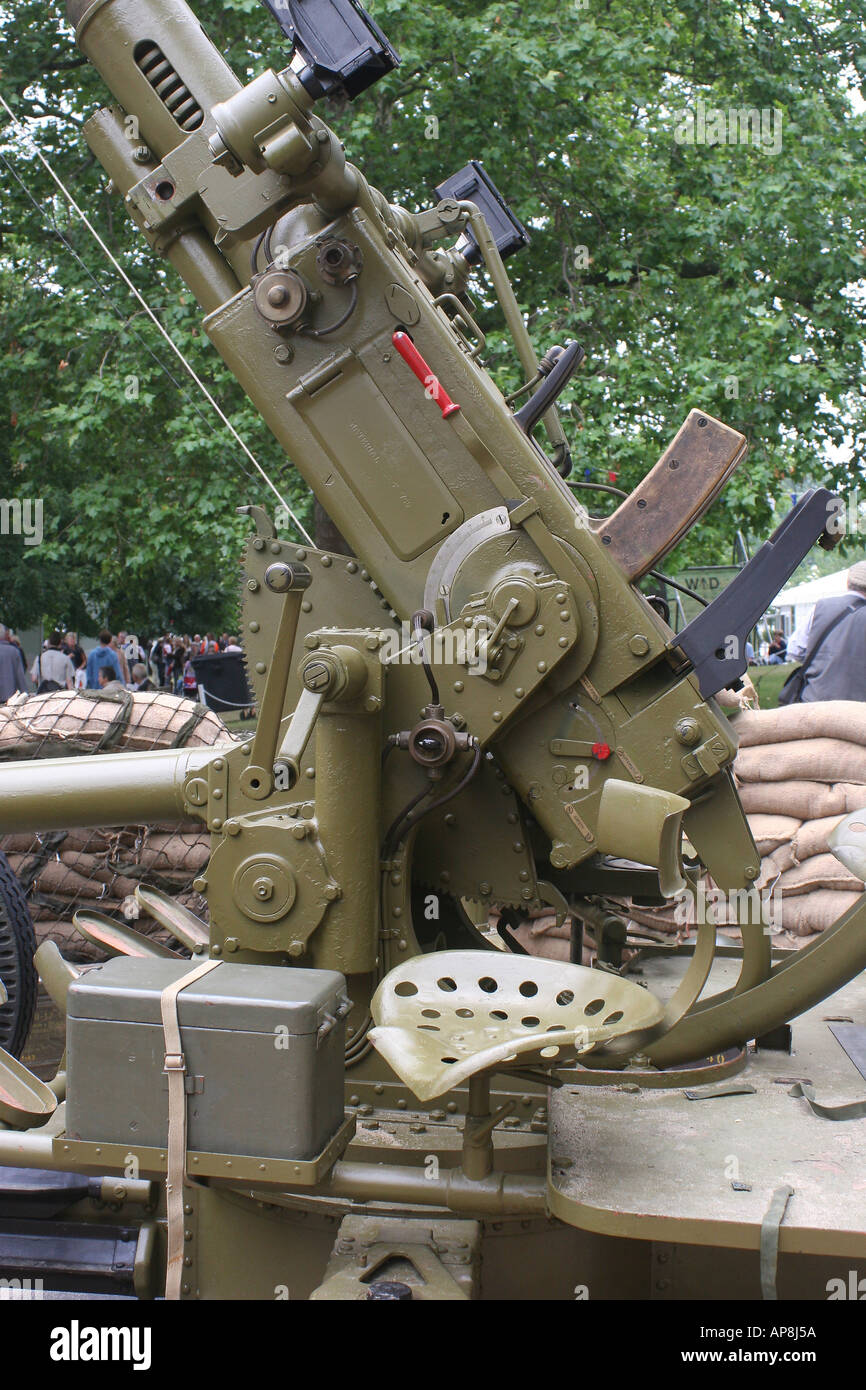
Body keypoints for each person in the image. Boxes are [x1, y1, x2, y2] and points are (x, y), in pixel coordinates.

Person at [794, 562, 866, 702]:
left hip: (815, 701)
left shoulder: (820, 606)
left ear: (848, 583)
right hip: (859, 707)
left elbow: (795, 650)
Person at [0, 623, 29, 702]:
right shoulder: (13, 651)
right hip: (9, 699)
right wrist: (25, 694)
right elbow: (20, 677)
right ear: (5, 635)